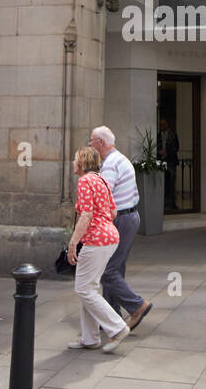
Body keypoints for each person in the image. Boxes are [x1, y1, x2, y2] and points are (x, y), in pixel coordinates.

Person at [65, 146, 130, 353]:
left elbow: (86, 215)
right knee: (89, 288)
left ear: (82, 163)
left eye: (75, 160)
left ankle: (117, 327)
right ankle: (90, 338)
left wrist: (73, 242)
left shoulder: (85, 181)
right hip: (110, 237)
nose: (73, 164)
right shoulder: (102, 180)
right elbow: (112, 212)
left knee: (83, 289)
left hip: (96, 240)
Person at [91, 126, 152, 329]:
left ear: (101, 142)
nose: (90, 145)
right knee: (116, 268)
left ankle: (137, 306)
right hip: (129, 216)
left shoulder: (109, 165)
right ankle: (112, 316)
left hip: (121, 220)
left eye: (92, 141)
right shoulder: (120, 159)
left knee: (107, 271)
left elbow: (102, 197)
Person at [158, 118, 179, 207]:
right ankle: (163, 202)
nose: (162, 126)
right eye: (161, 125)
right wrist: (159, 152)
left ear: (167, 125)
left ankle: (171, 202)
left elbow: (176, 147)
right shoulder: (158, 135)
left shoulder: (173, 135)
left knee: (171, 182)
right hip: (161, 161)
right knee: (162, 182)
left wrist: (167, 152)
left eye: (163, 124)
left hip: (171, 161)